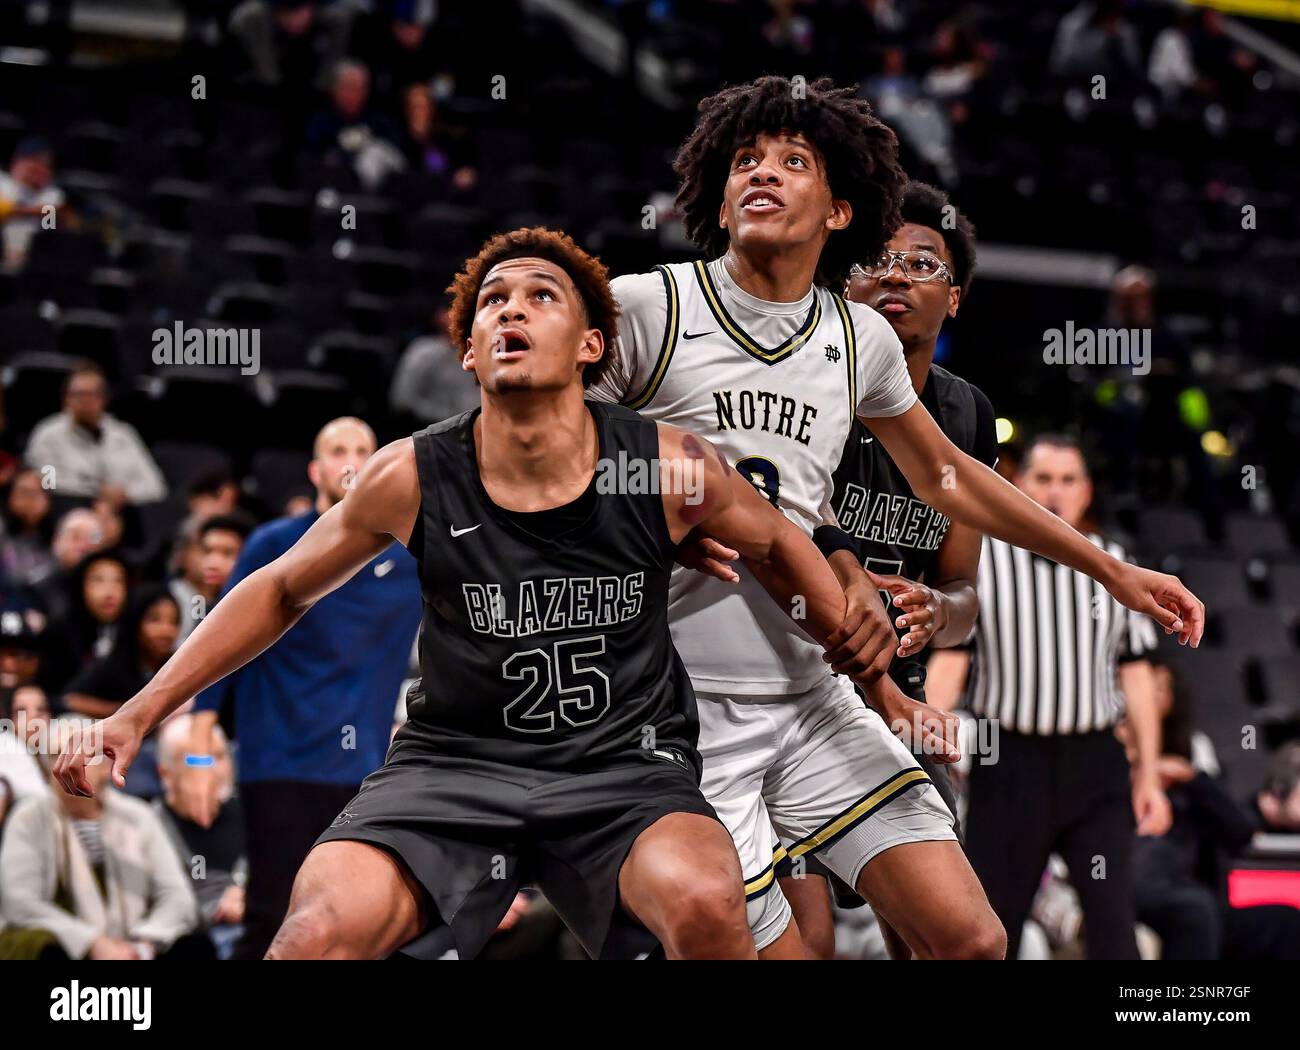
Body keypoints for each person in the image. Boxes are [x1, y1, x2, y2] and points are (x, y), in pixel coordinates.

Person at [54, 227, 892, 961]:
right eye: (492, 301)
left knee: (711, 906)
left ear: (593, 344)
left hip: (621, 768)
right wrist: (136, 713)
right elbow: (275, 589)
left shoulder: (664, 465)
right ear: (467, 350)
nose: (510, 311)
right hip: (452, 767)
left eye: (540, 296)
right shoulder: (410, 473)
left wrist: (863, 661)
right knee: (311, 935)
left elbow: (781, 538)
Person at [589, 74, 1202, 959]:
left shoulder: (858, 340)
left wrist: (1114, 571)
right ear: (718, 200)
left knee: (971, 937)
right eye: (745, 161)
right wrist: (653, 518)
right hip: (679, 705)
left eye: (792, 161)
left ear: (839, 212)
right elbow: (546, 461)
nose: (762, 172)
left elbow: (951, 479)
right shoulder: (648, 306)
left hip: (812, 699)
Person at [778, 181, 996, 958]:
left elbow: (969, 596)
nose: (897, 274)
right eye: (877, 257)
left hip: (897, 714)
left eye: (922, 263)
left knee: (950, 938)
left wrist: (940, 611)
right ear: (845, 277)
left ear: (956, 299)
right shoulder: (801, 385)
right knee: (808, 942)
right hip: (787, 703)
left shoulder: (965, 415)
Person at [170, 416, 421, 960]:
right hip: (280, 761)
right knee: (275, 919)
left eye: (362, 449)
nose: (350, 460)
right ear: (315, 469)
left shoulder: (409, 559)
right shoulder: (275, 543)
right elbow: (222, 635)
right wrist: (200, 740)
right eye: (337, 450)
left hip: (364, 774)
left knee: (360, 928)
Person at [926, 434, 1171, 959]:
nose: (1056, 492)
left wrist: (1148, 773)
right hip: (1011, 763)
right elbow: (952, 660)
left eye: (1068, 480)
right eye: (1043, 479)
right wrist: (922, 739)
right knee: (995, 927)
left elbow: (1136, 675)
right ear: (1017, 485)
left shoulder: (1117, 563)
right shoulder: (987, 561)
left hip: (1095, 765)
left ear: (1086, 492)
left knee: (1112, 926)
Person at [0, 721, 206, 960]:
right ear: (46, 769)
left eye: (81, 755)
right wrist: (91, 943)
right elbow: (20, 902)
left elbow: (176, 895)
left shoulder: (138, 816)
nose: (66, 765)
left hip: (137, 941)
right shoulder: (28, 818)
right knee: (38, 946)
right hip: (67, 944)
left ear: (104, 763)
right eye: (56, 755)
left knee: (195, 944)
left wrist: (144, 943)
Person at [154, 715, 247, 960]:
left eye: (220, 756)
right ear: (165, 772)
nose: (213, 770)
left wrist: (250, 895)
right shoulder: (148, 823)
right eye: (197, 760)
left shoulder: (255, 810)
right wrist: (216, 909)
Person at [24, 362, 167, 506]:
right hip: (68, 511)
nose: (85, 401)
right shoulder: (48, 435)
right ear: (66, 399)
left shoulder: (123, 435)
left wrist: (126, 494)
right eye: (78, 395)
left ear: (103, 399)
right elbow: (48, 483)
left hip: (120, 514)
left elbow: (155, 485)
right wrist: (95, 492)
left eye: (91, 394)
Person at [39, 548, 130, 698]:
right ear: (81, 585)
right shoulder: (59, 632)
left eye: (118, 581)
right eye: (98, 580)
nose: (110, 592)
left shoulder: (134, 629)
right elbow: (54, 697)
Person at [0, 136, 65, 273]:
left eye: (46, 166)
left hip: (33, 259)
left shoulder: (52, 194)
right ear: (18, 163)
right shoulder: (3, 183)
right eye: (36, 163)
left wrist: (12, 210)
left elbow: (50, 222)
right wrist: (33, 211)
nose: (42, 170)